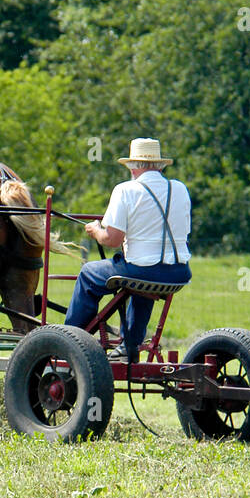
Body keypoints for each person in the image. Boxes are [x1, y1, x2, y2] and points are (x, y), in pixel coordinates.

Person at [64, 137, 192, 360]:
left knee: (88, 274)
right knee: (143, 281)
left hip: (143, 270)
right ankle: (129, 346)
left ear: (134, 167)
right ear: (160, 165)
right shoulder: (179, 189)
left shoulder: (126, 190)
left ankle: (71, 343)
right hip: (179, 272)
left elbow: (112, 239)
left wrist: (95, 230)